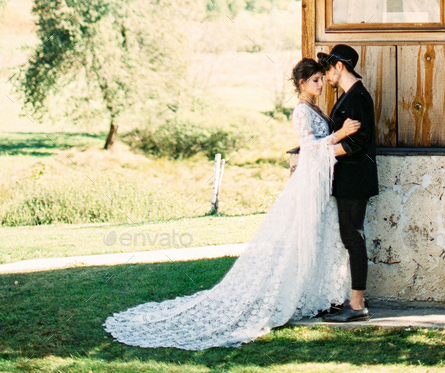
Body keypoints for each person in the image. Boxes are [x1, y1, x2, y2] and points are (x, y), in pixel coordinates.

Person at [103, 58, 361, 351]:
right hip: (308, 182)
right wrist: (339, 135)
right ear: (302, 83)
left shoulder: (314, 106)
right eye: (314, 80)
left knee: (318, 236)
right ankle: (285, 294)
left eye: (320, 79)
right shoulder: (301, 111)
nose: (320, 84)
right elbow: (309, 146)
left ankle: (315, 296)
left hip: (319, 182)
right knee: (295, 236)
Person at [319, 44, 379, 323]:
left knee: (354, 237)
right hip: (347, 179)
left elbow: (355, 143)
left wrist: (322, 152)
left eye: (328, 69)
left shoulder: (358, 98)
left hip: (355, 178)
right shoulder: (348, 96)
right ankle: (354, 301)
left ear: (339, 67)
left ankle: (357, 305)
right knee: (349, 236)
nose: (326, 75)